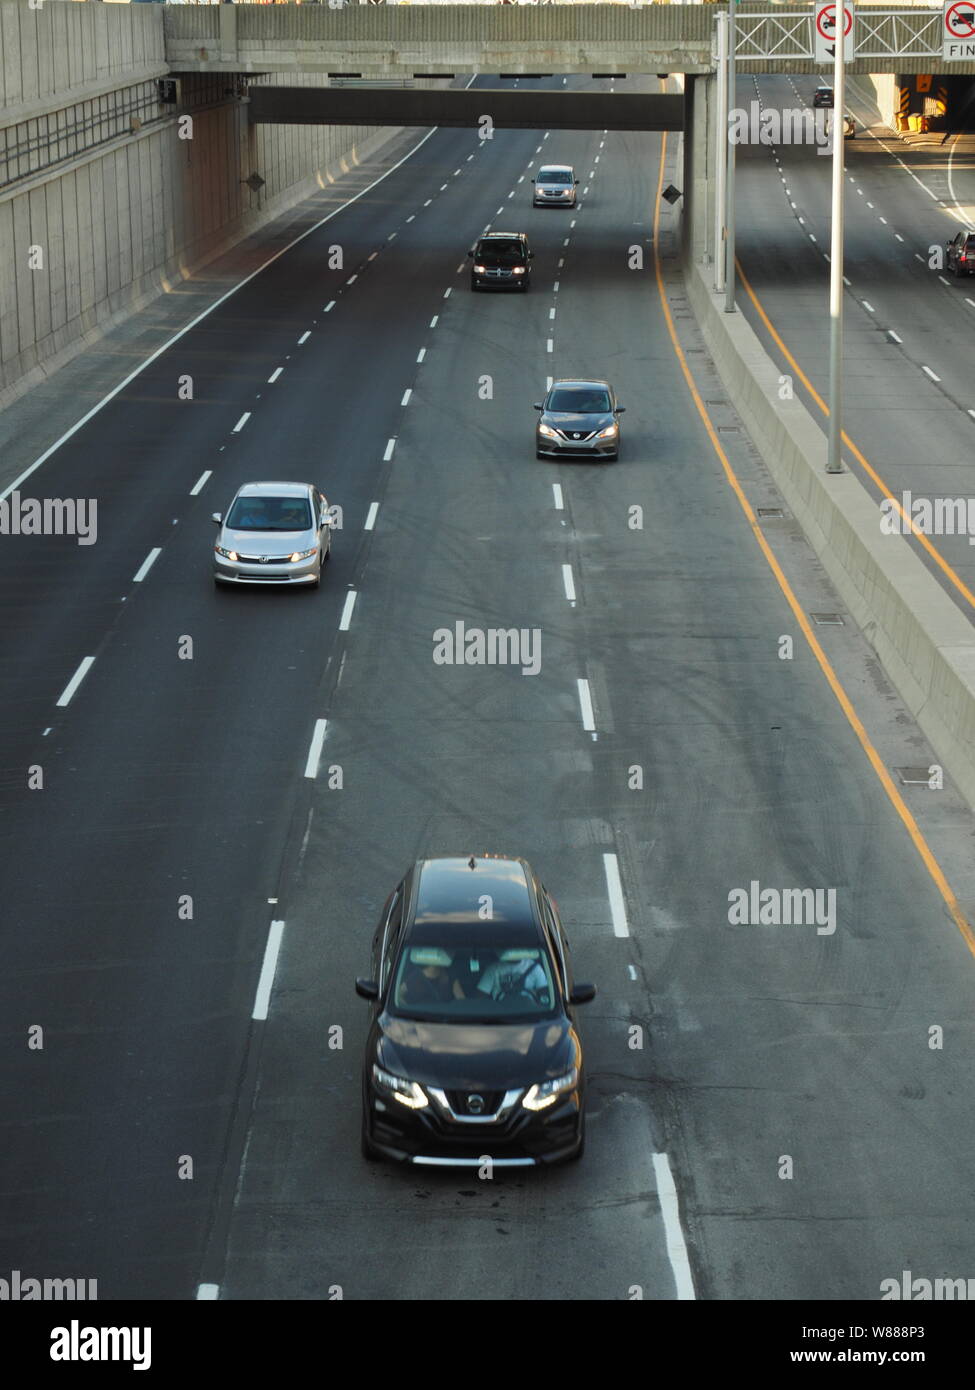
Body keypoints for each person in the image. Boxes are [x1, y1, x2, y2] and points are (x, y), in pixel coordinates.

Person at [476, 952, 547, 1004]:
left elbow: (544, 994)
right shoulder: (493, 968)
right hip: (500, 1013)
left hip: (530, 1013)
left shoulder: (535, 968)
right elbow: (481, 996)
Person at [400, 953, 465, 1005]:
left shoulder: (450, 976)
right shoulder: (415, 977)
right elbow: (398, 995)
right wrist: (408, 1008)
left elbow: (462, 1002)